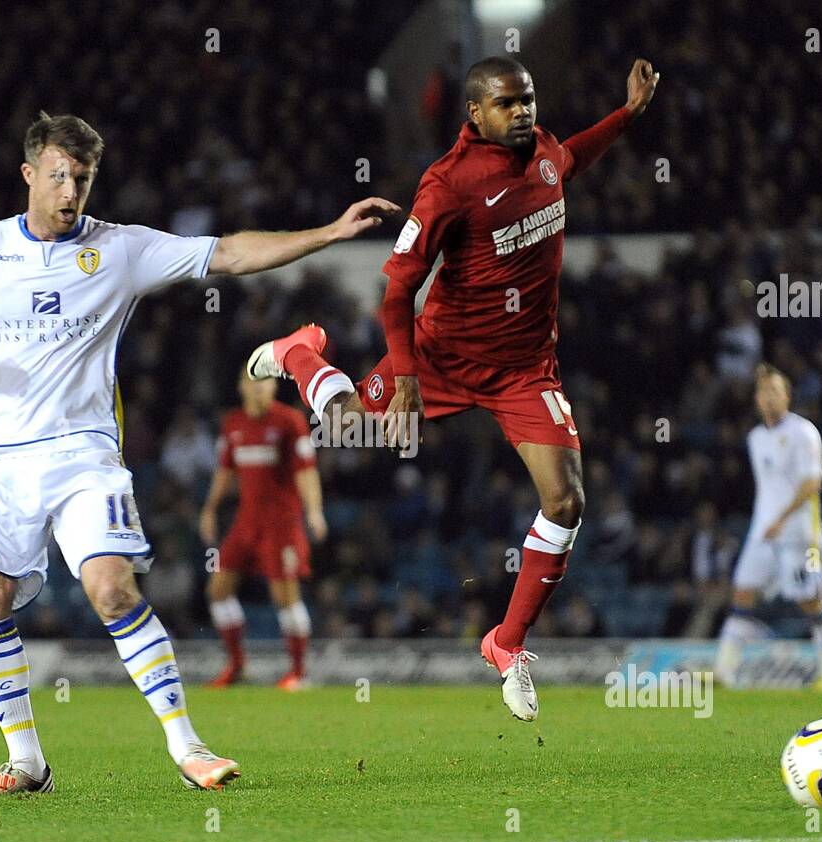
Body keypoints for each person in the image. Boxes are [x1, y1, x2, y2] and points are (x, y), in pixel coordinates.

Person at [0, 112, 398, 795]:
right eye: (58, 176)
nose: (70, 191)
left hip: (84, 455)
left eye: (81, 179)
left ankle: (188, 745)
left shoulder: (120, 248)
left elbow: (226, 253)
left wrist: (328, 232)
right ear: (28, 175)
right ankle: (27, 763)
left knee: (112, 587)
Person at [246, 56, 658, 721]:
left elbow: (572, 158)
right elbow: (397, 291)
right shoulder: (449, 184)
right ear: (476, 113)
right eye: (507, 104)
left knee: (566, 498)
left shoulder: (544, 148)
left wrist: (625, 116)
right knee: (349, 428)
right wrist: (406, 375)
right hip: (442, 354)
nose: (523, 111)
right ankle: (299, 352)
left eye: (527, 99)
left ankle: (505, 643)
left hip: (525, 367)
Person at [715, 364, 822, 689]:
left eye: (775, 391)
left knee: (811, 602)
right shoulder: (756, 438)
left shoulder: (804, 433)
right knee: (742, 593)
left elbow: (812, 483)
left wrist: (782, 519)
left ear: (787, 396)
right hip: (763, 534)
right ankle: (725, 672)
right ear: (756, 399)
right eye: (763, 392)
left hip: (800, 535)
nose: (769, 398)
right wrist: (766, 523)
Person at [200, 373, 327, 690]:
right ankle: (238, 665)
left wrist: (314, 510)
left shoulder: (290, 421)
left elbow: (306, 470)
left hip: (281, 525)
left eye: (265, 382)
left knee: (284, 597)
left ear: (273, 387)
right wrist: (210, 509)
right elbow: (225, 470)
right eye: (252, 381)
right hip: (245, 523)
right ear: (241, 386)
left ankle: (298, 672)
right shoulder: (232, 423)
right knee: (217, 590)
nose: (258, 387)